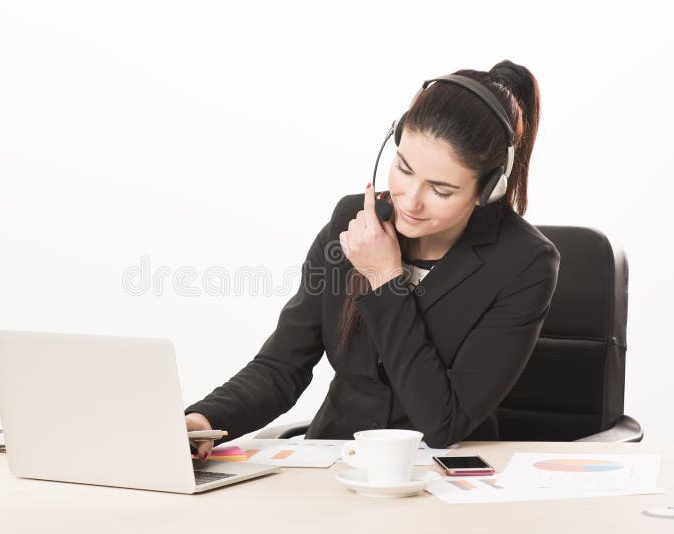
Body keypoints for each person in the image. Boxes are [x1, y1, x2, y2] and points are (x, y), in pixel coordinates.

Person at [185, 59, 560, 459]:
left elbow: (443, 422)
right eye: (404, 169)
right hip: (335, 464)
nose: (410, 201)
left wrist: (385, 278)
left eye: (441, 190)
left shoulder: (525, 264)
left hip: (438, 469)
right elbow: (282, 366)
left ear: (488, 190)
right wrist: (205, 421)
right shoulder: (352, 222)